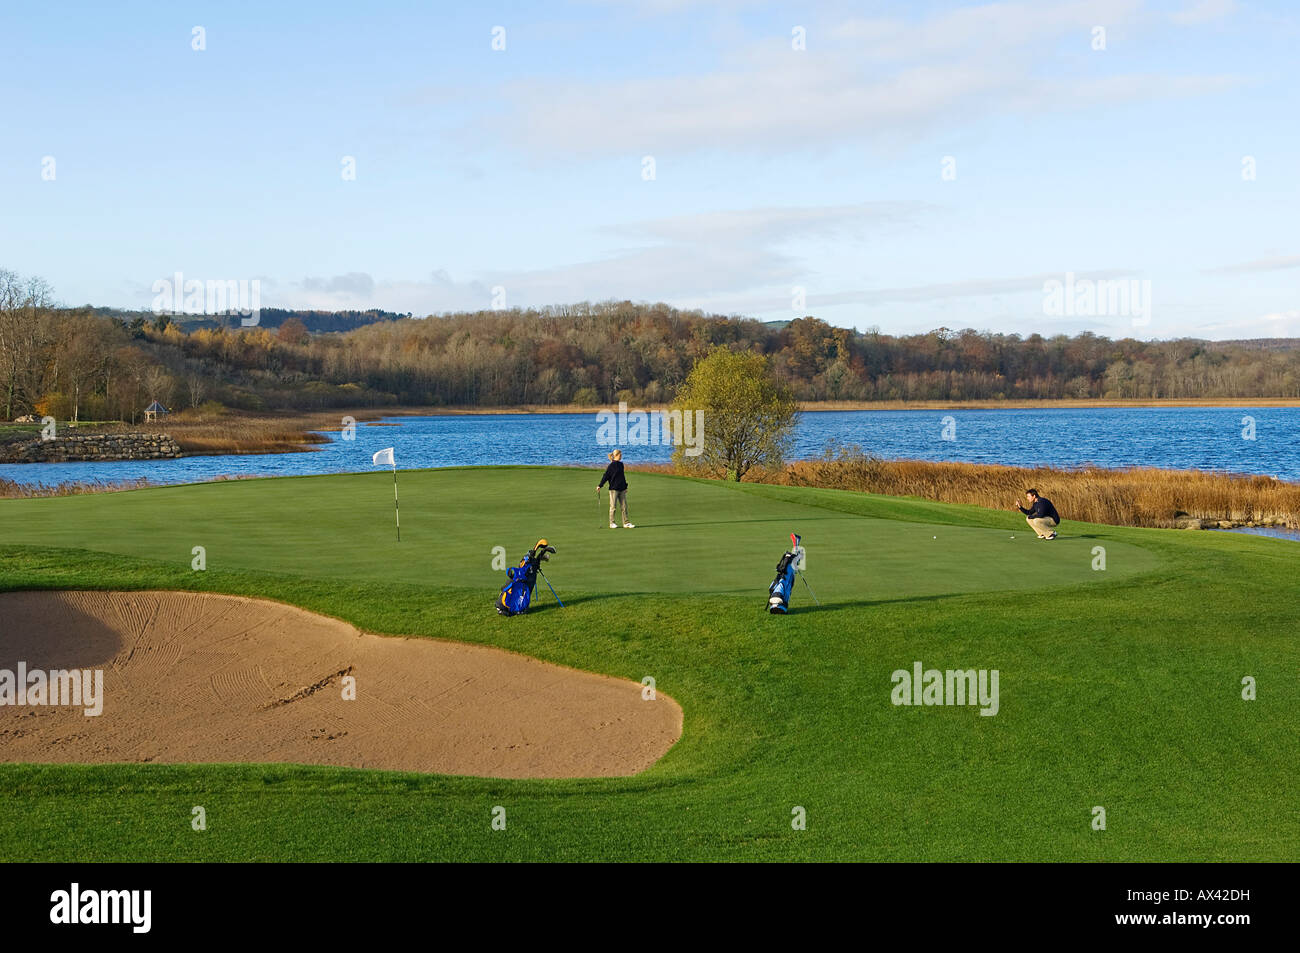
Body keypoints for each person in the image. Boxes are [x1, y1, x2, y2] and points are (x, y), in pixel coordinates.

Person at [598, 449, 634, 529]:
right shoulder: (611, 466)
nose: (621, 456)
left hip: (622, 489)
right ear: (616, 455)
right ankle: (612, 523)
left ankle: (626, 523)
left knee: (624, 507)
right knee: (613, 507)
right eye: (620, 455)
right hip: (614, 489)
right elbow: (606, 476)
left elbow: (622, 477)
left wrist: (625, 486)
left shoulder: (621, 465)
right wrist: (600, 485)